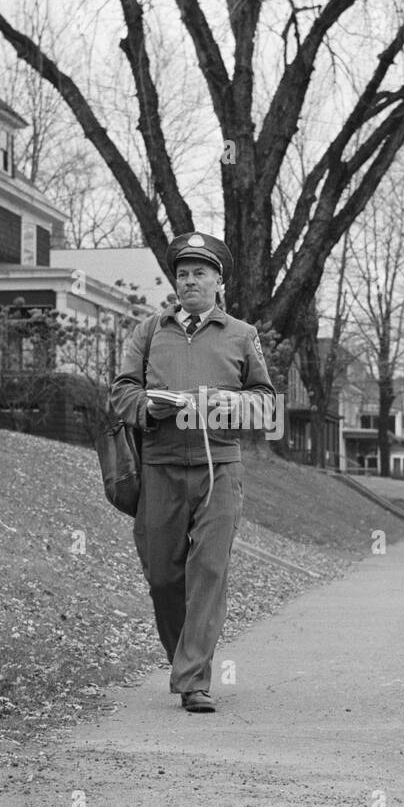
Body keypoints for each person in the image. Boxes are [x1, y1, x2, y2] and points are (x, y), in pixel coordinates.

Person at [109, 232, 276, 712]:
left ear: (219, 281)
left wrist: (234, 401)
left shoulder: (242, 335)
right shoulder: (148, 331)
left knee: (208, 570)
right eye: (182, 274)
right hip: (159, 468)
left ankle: (193, 679)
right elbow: (120, 393)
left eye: (200, 273)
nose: (190, 282)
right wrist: (151, 405)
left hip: (219, 467)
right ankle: (185, 660)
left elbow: (266, 406)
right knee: (163, 577)